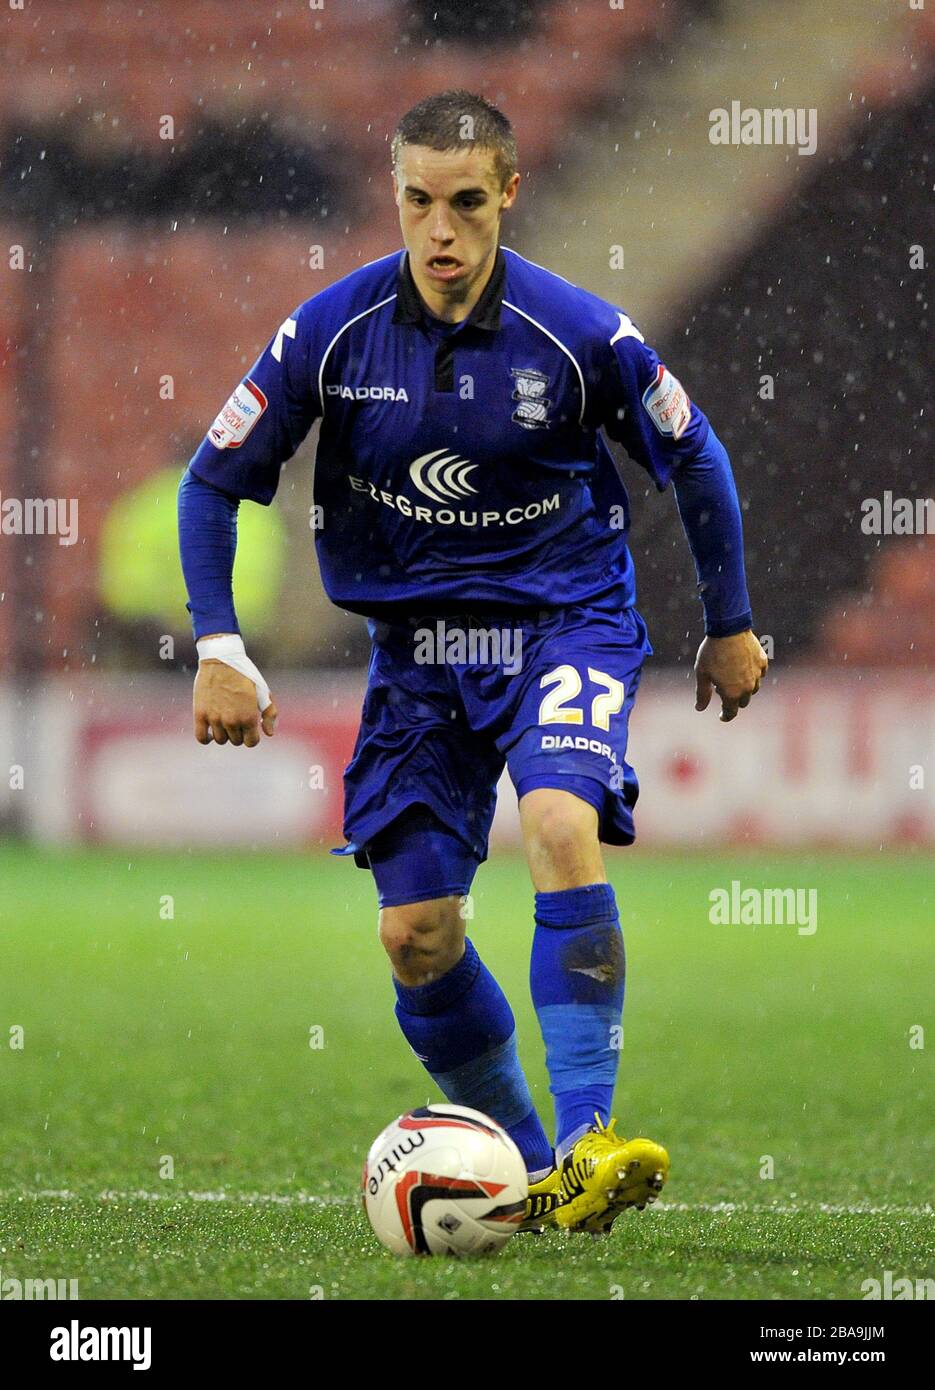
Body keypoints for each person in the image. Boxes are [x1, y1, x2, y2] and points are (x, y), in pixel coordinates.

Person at [178, 89, 767, 1236]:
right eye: (415, 202)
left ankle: (592, 1133)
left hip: (563, 624)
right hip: (418, 660)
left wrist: (729, 621)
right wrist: (216, 644)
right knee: (415, 938)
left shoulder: (581, 334)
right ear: (392, 196)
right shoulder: (330, 335)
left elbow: (695, 458)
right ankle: (552, 1180)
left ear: (506, 193)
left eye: (462, 203)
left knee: (557, 822)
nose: (437, 231)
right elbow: (213, 480)